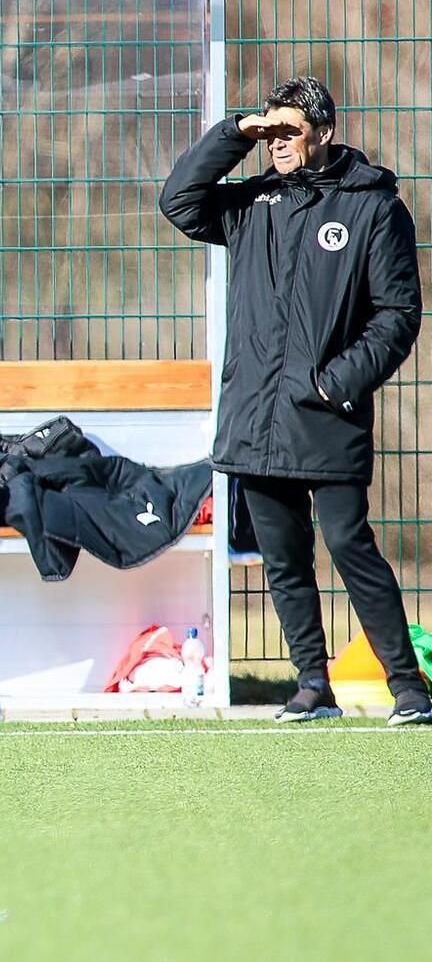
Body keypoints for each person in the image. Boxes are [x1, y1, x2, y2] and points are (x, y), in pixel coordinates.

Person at [161, 77, 430, 726]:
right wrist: (236, 133)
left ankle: (409, 687)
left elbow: (399, 313)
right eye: (271, 132)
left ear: (324, 132)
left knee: (347, 542)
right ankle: (312, 683)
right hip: (255, 415)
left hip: (325, 412)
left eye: (290, 131)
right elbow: (179, 200)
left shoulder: (372, 207)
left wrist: (336, 381)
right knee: (281, 556)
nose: (278, 143)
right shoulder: (255, 202)